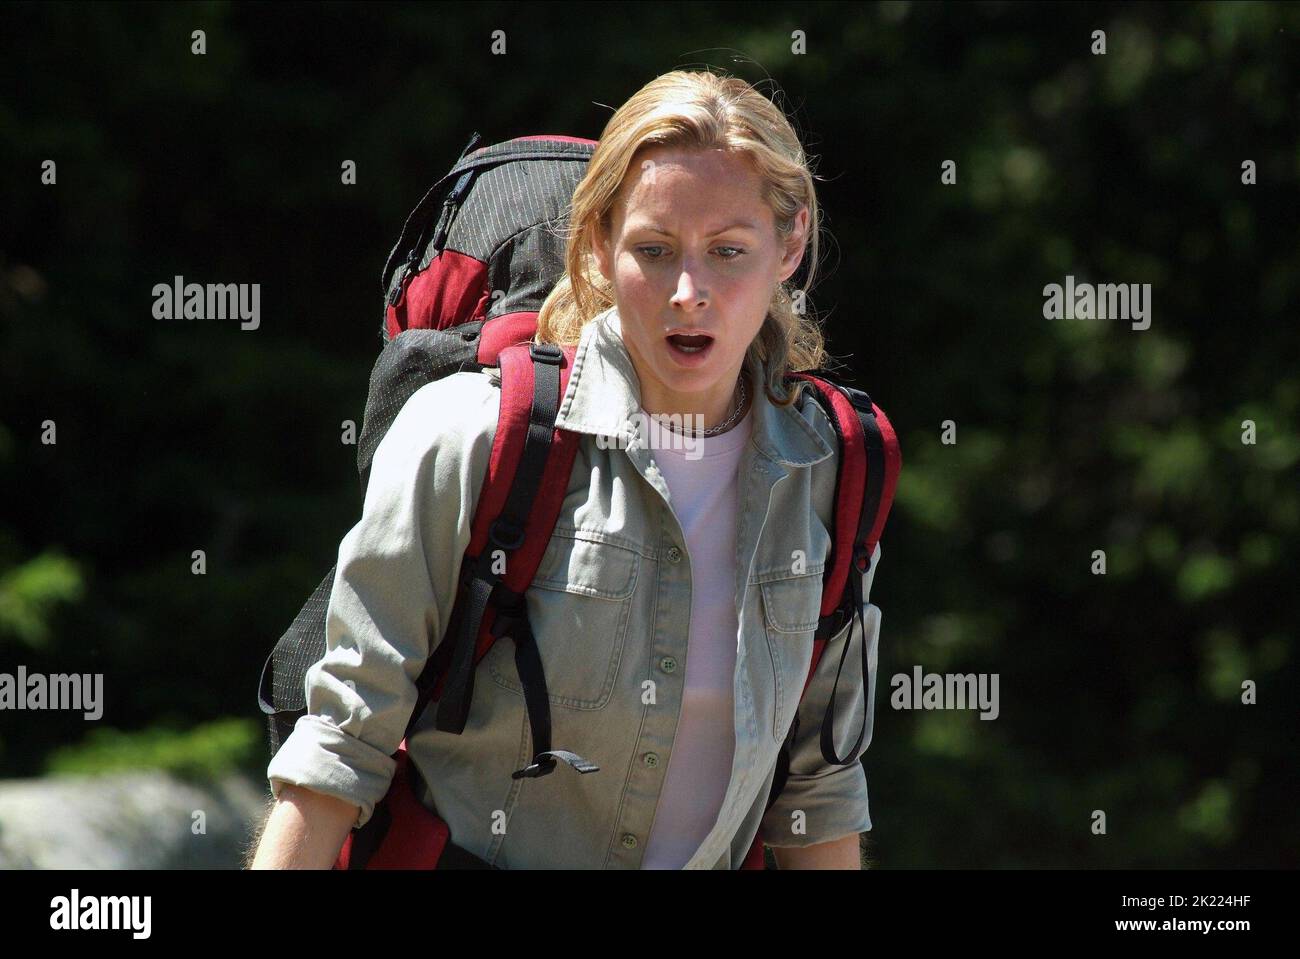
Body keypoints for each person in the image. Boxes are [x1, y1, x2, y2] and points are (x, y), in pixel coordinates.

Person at [250, 68, 884, 870]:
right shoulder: (470, 437)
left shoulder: (831, 470)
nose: (690, 292)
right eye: (654, 250)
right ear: (598, 243)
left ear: (789, 245)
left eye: (729, 250)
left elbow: (817, 785)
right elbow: (341, 746)